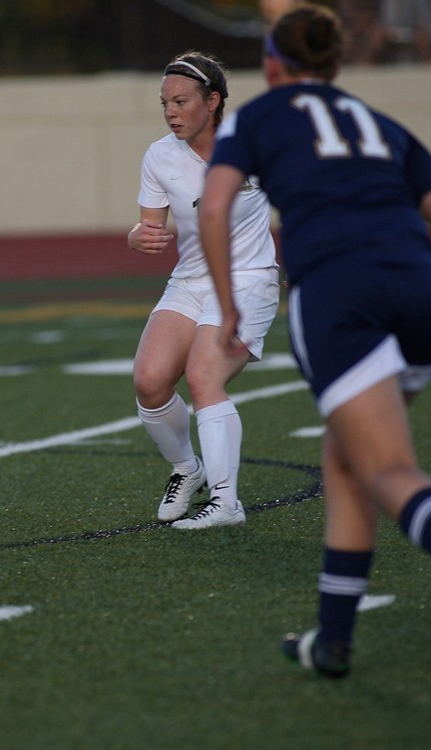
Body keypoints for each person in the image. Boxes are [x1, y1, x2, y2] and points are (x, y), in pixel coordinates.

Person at [198, 2, 431, 677]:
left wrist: (225, 306)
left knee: (386, 468)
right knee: (344, 459)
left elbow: (216, 204)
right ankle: (331, 640)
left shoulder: (257, 115)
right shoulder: (379, 122)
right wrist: (426, 299)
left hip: (339, 291)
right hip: (417, 284)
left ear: (271, 62)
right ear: (336, 65)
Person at [127, 51, 279, 530]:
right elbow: (149, 225)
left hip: (250, 278)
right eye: (165, 103)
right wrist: (138, 236)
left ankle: (226, 501)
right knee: (149, 382)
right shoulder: (159, 155)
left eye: (181, 101)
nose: (171, 112)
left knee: (203, 377)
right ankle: (186, 470)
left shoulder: (254, 146)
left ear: (212, 101)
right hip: (192, 279)